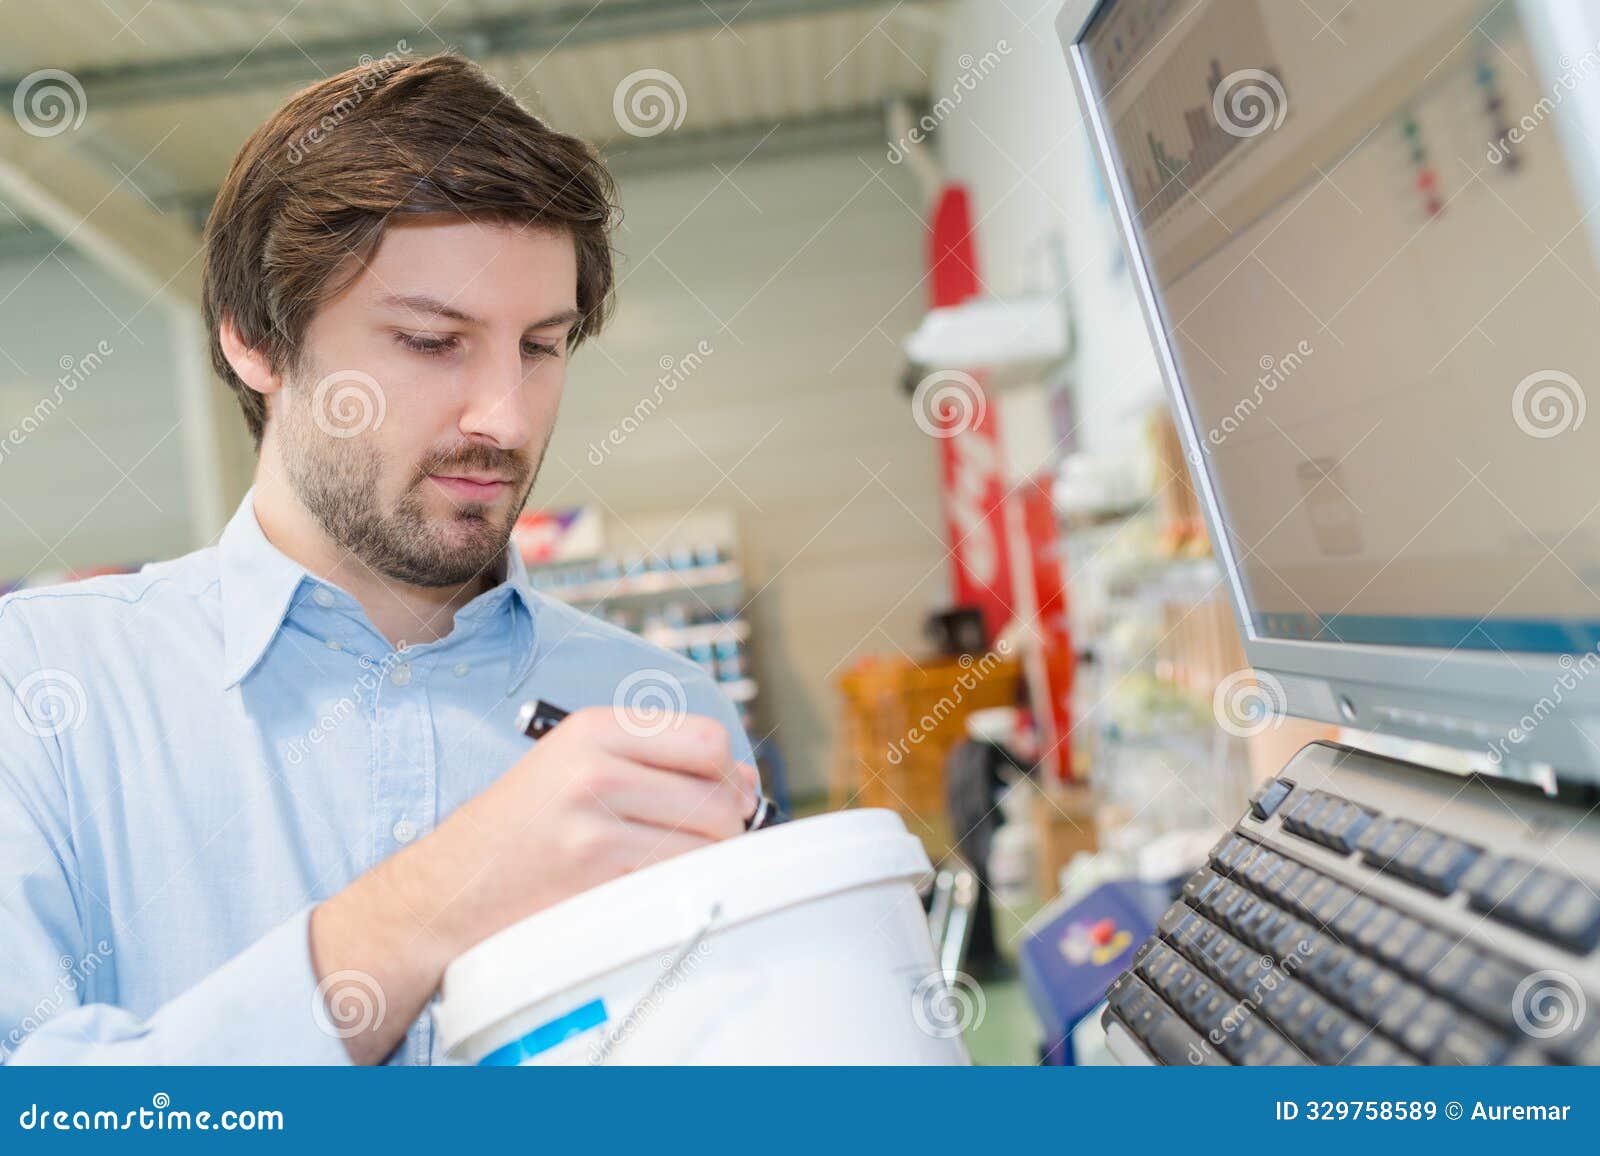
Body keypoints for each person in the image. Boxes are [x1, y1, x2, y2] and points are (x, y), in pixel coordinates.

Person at [0, 53, 757, 1065]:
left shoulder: (662, 716)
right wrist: (429, 906)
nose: (504, 417)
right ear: (254, 341)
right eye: (430, 342)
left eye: (540, 347)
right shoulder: (42, 692)